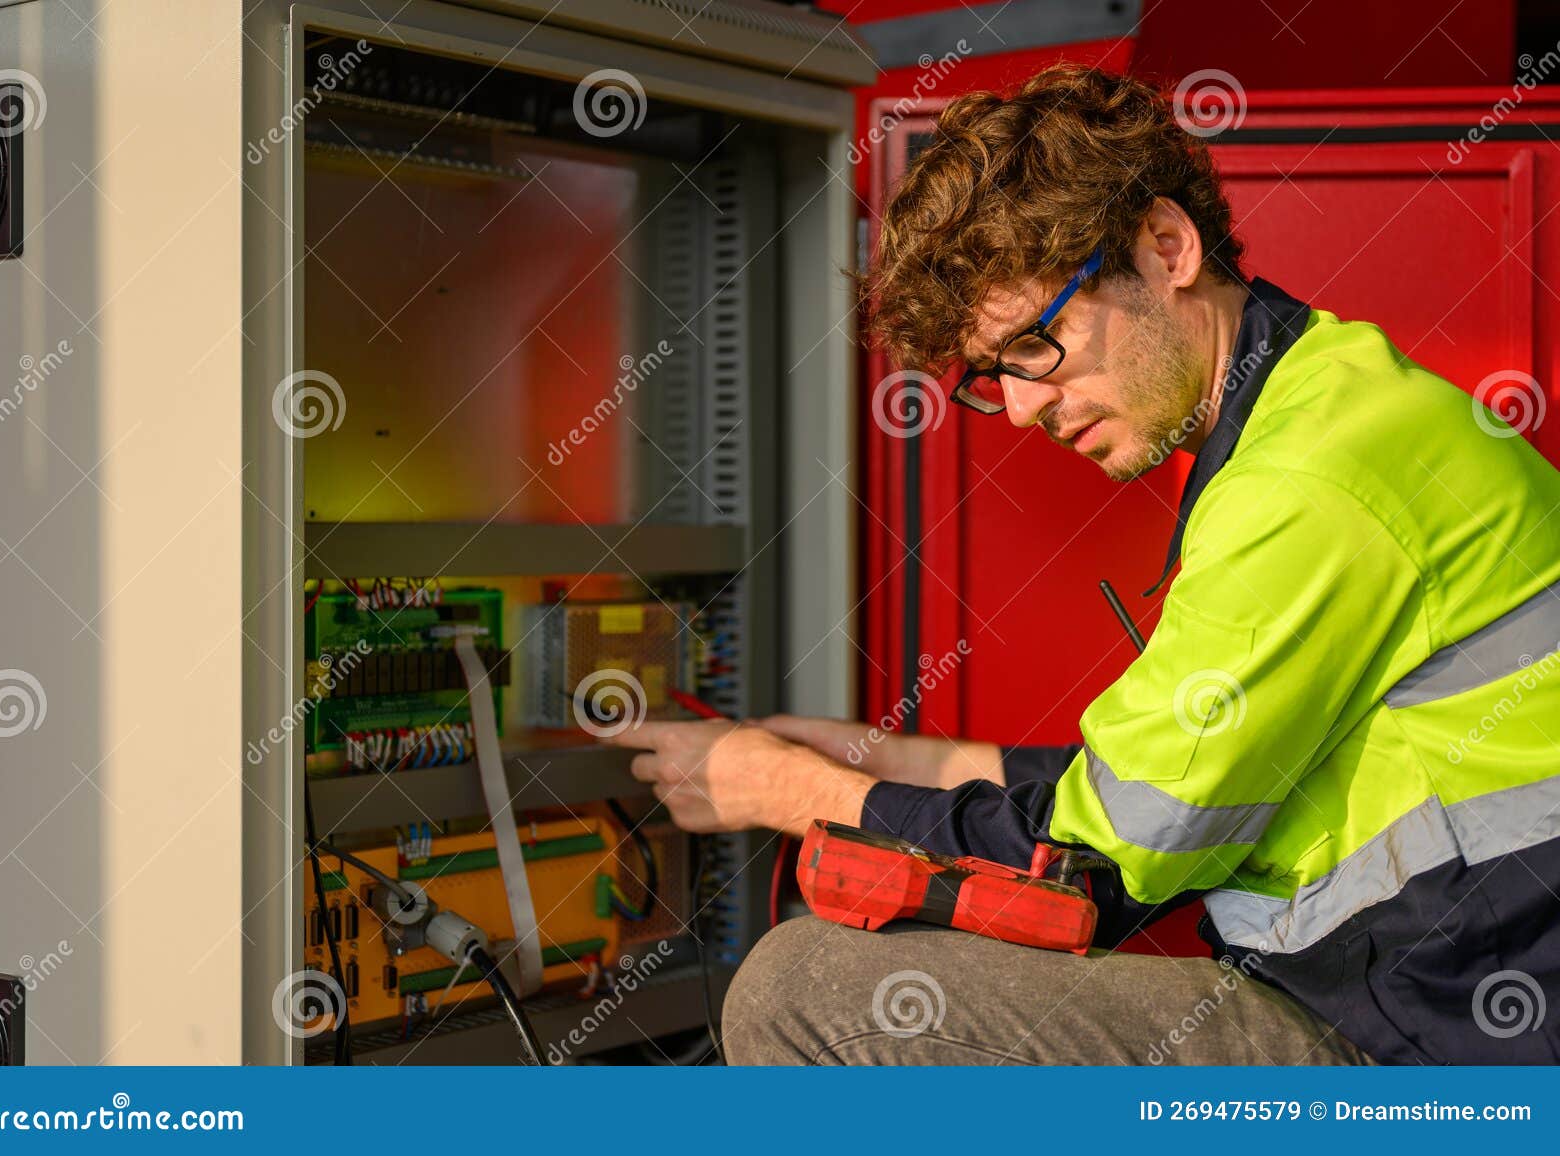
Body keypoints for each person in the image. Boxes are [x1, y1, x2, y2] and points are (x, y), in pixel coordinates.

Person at [607, 64, 1560, 1065]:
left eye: (1037, 342)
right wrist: (887, 762)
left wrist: (789, 793)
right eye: (991, 376)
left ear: (1166, 247)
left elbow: (1090, 867)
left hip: (1449, 1053)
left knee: (806, 991)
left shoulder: (1308, 482)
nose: (1021, 408)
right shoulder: (1332, 403)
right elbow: (1153, 790)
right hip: (1410, 1002)